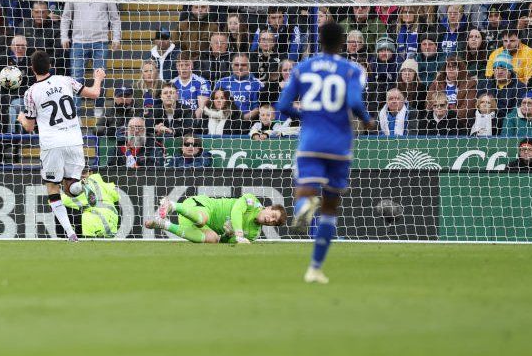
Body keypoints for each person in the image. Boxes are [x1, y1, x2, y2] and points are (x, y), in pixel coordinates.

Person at [275, 21, 375, 284]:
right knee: (330, 208)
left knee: (304, 190)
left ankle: (303, 206)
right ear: (342, 43)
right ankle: (315, 268)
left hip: (311, 141)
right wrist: (366, 119)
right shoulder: (351, 69)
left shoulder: (303, 68)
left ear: (319, 40)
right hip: (339, 144)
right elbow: (354, 101)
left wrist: (306, 115)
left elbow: (282, 105)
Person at [18, 50, 105, 241]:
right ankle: (83, 186)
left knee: (53, 188)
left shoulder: (30, 93)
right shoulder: (66, 80)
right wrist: (98, 77)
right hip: (74, 139)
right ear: (50, 65)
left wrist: (21, 118)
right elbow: (95, 93)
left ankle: (70, 232)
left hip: (52, 144)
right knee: (70, 186)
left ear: (32, 69)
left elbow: (30, 127)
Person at [146, 193, 286, 243]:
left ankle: (163, 224)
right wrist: (238, 232)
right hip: (201, 206)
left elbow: (224, 242)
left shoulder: (254, 234)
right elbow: (237, 211)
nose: (270, 220)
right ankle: (172, 205)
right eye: (273, 215)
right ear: (268, 208)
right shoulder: (252, 201)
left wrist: (228, 234)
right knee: (202, 220)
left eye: (274, 222)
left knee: (213, 239)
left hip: (194, 225)